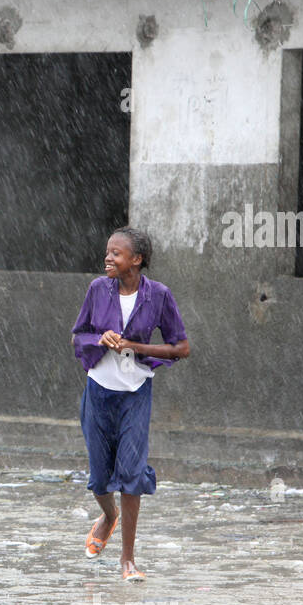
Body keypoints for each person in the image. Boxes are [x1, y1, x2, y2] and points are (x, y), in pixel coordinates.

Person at [70, 226, 190, 582]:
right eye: (108, 252)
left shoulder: (159, 296)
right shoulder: (97, 289)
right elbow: (79, 336)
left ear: (136, 260)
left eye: (116, 254)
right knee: (99, 479)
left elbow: (181, 347)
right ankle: (107, 517)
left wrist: (136, 347)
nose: (108, 258)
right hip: (99, 392)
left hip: (136, 394)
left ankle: (127, 560)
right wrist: (100, 337)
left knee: (132, 474)